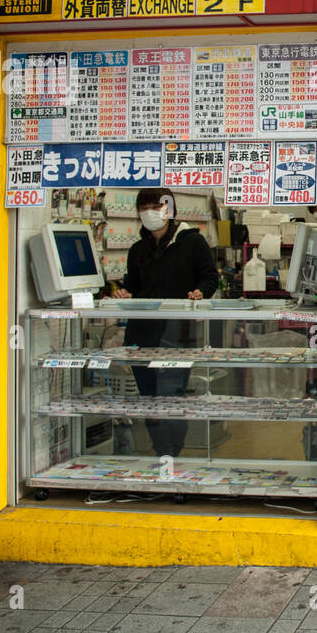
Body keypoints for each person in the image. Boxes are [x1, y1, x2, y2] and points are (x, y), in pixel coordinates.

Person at [114, 188, 218, 458]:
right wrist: (125, 294)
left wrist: (200, 292)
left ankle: (172, 453)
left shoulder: (192, 242)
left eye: (155, 206)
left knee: (172, 396)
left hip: (178, 332)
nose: (149, 212)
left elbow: (209, 278)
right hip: (143, 333)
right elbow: (134, 288)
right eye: (143, 207)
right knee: (149, 399)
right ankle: (163, 452)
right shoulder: (138, 249)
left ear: (169, 210)